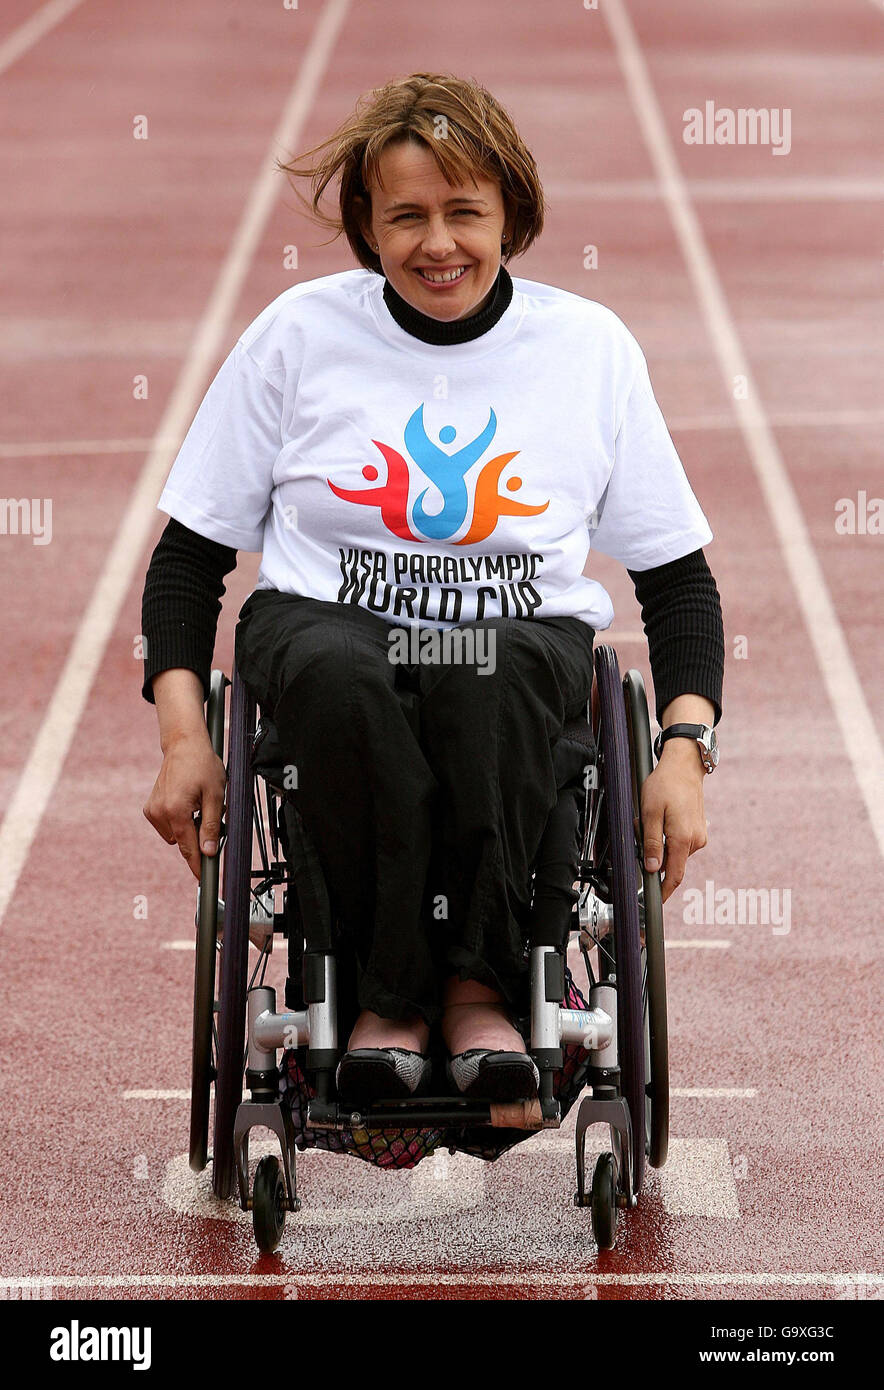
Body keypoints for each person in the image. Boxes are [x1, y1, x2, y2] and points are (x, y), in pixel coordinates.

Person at [141, 73, 724, 1106]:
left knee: (482, 671)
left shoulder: (585, 350)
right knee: (343, 679)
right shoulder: (296, 334)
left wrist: (683, 752)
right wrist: (186, 739)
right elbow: (189, 562)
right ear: (367, 224)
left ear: (511, 214)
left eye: (464, 211)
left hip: (516, 640)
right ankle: (383, 999)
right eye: (405, 215)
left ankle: (475, 988)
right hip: (327, 627)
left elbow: (676, 585)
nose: (436, 243)